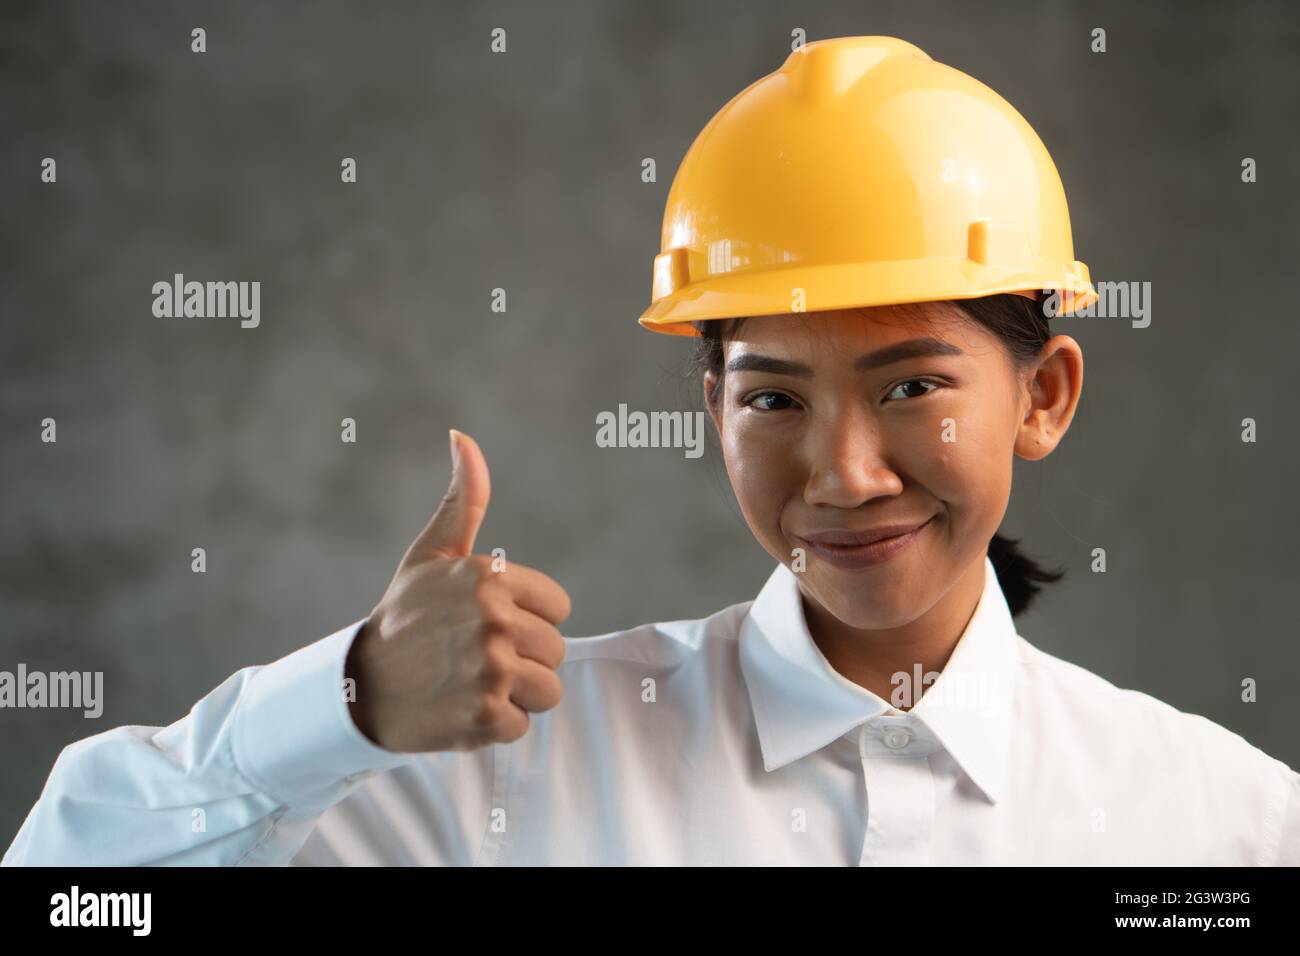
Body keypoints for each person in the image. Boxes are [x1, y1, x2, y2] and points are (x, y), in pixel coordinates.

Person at [5, 36, 1297, 866]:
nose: (843, 473)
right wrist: (340, 706)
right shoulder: (504, 779)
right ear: (709, 410)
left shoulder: (1217, 824)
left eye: (912, 385)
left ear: (1045, 394)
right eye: (775, 400)